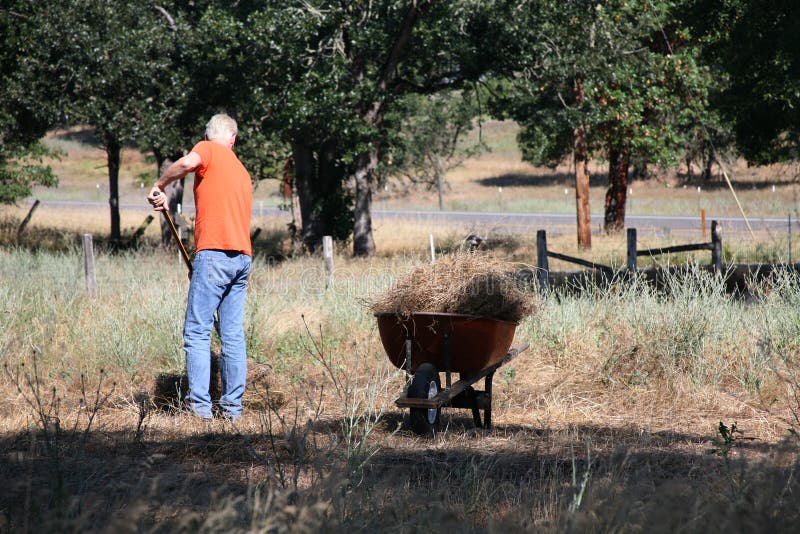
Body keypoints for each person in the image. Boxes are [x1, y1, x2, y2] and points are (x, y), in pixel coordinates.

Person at [147, 113, 252, 420]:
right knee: (232, 335)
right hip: (242, 258)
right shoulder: (242, 171)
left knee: (197, 332)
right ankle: (232, 411)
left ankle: (200, 411)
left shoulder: (207, 149)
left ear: (210, 136)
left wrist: (160, 184)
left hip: (214, 254)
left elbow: (187, 163)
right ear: (233, 138)